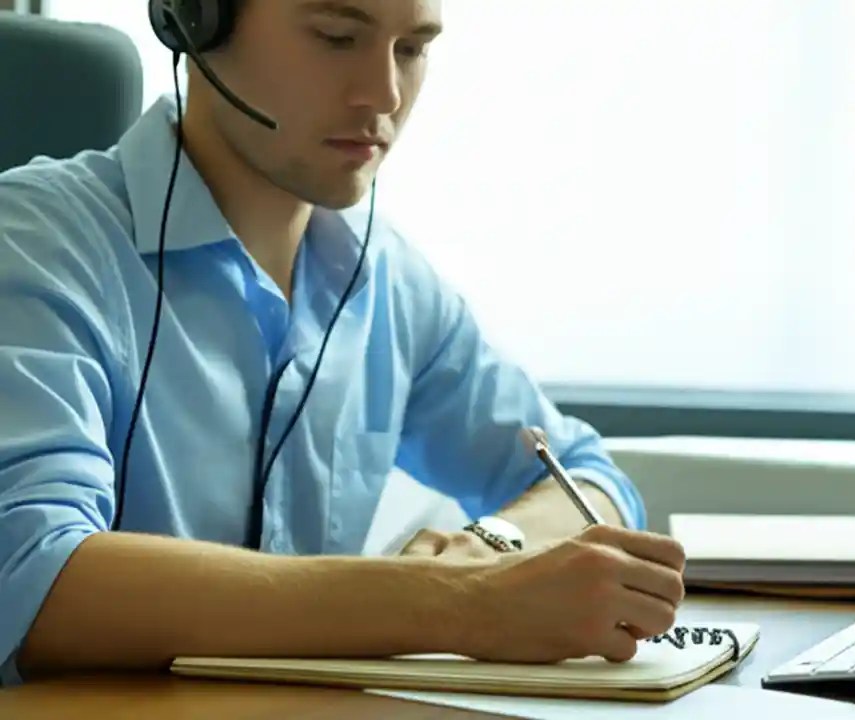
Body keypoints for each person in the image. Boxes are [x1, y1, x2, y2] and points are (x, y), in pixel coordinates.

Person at [0, 0, 685, 685]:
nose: (384, 94)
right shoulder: (37, 244)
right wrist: (460, 605)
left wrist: (483, 553)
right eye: (337, 38)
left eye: (412, 50)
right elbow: (32, 579)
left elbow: (585, 474)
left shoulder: (385, 279)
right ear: (197, 19)